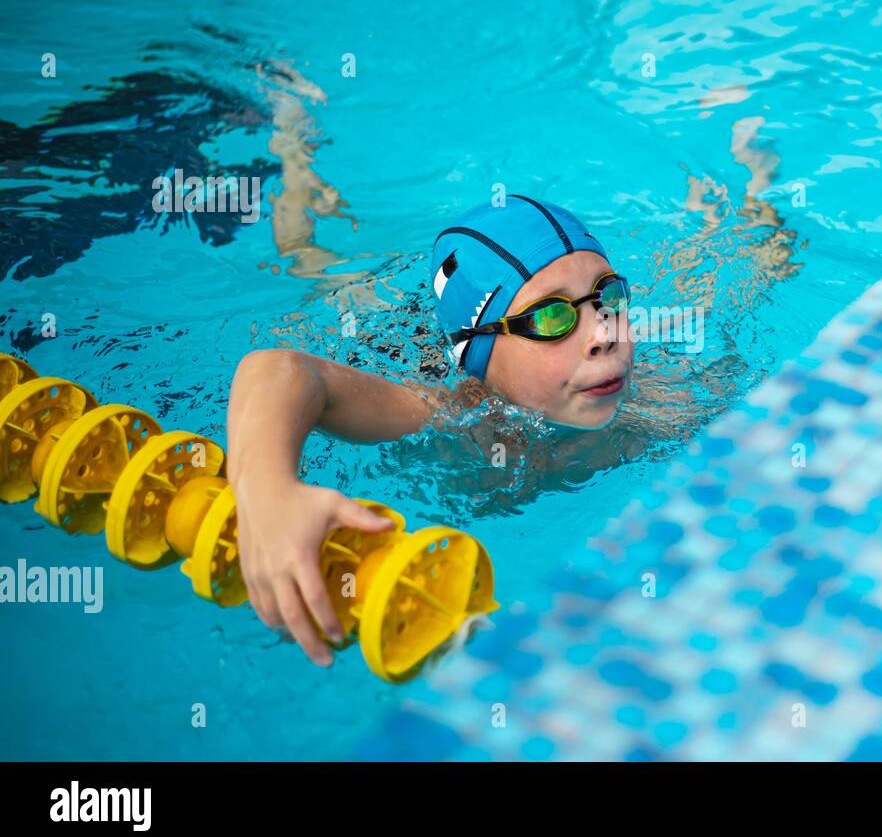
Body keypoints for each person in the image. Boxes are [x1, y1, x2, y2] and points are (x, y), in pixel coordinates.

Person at [227, 67, 802, 668]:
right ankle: (294, 150)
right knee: (312, 266)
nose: (604, 335)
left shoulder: (662, 402)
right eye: (552, 318)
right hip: (391, 339)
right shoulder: (450, 409)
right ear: (479, 360)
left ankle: (742, 179)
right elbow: (281, 370)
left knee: (763, 259)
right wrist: (266, 490)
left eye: (609, 295)